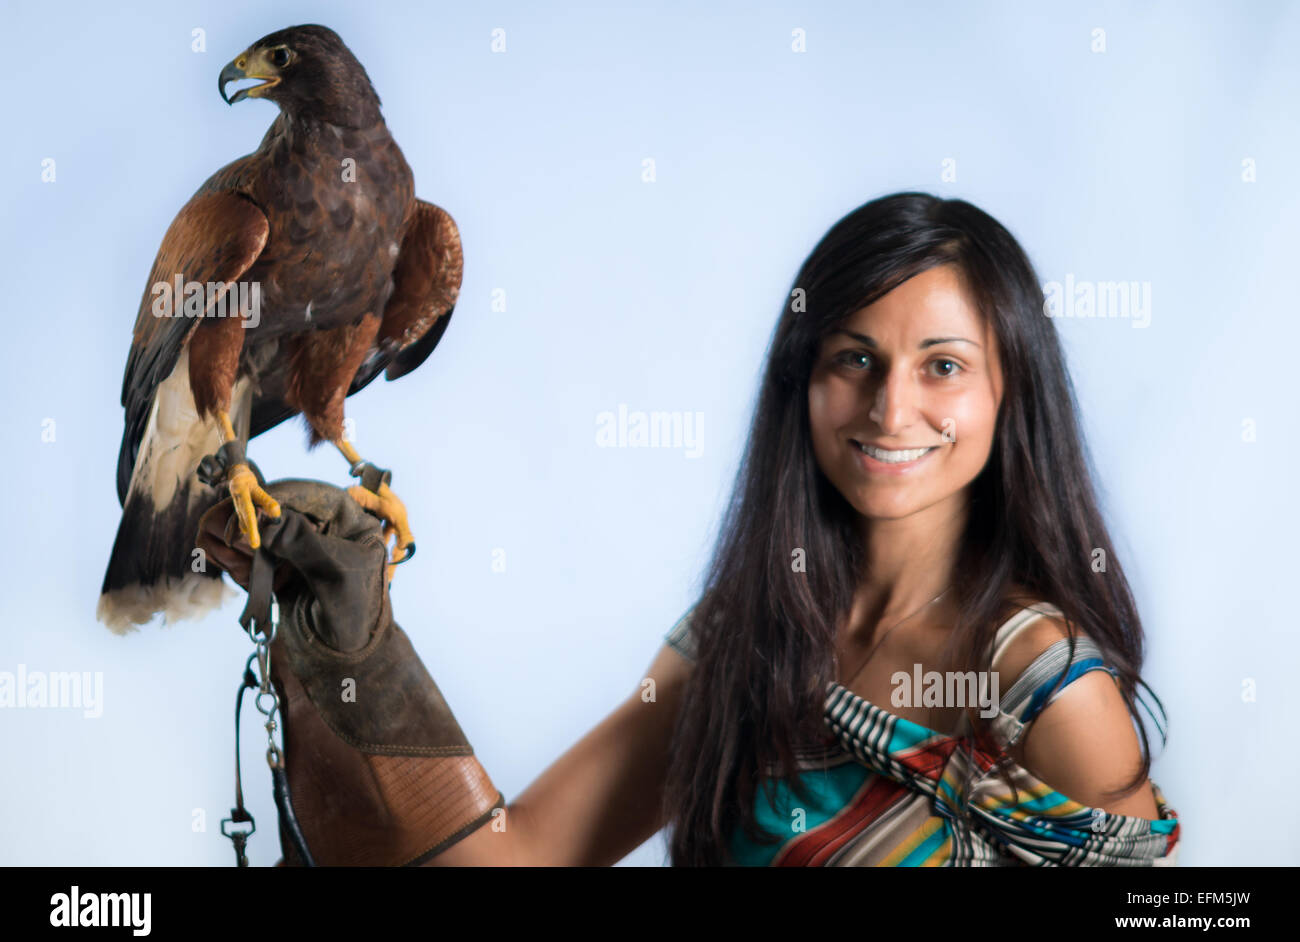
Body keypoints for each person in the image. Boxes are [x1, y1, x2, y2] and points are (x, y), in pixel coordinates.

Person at [202, 192, 1180, 866]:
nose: (889, 407)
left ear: (1011, 390)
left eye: (942, 364)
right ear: (801, 378)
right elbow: (522, 852)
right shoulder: (749, 629)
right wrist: (351, 643)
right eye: (854, 357)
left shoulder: (1043, 683)